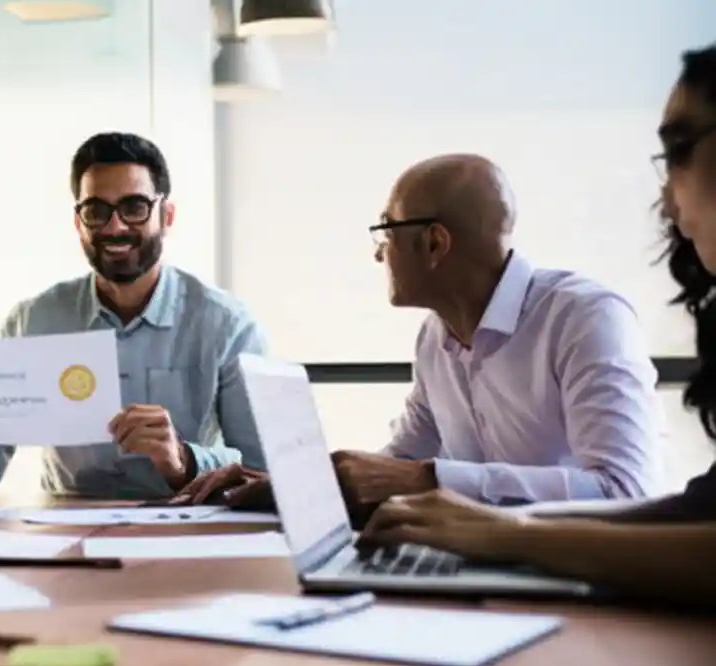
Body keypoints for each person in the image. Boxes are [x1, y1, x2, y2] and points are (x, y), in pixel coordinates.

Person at [176, 154, 663, 524]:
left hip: (582, 576)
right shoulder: (436, 337)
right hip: (486, 562)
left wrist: (431, 479)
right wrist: (289, 484)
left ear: (434, 243)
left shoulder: (586, 318)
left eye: (386, 232)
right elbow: (399, 462)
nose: (379, 254)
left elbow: (625, 491)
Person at [0, 132, 267, 500]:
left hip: (185, 525)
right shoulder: (32, 321)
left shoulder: (227, 325)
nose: (114, 227)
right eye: (96, 211)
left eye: (135, 207)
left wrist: (183, 460)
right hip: (63, 528)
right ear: (79, 223)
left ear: (166, 216)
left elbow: (259, 470)